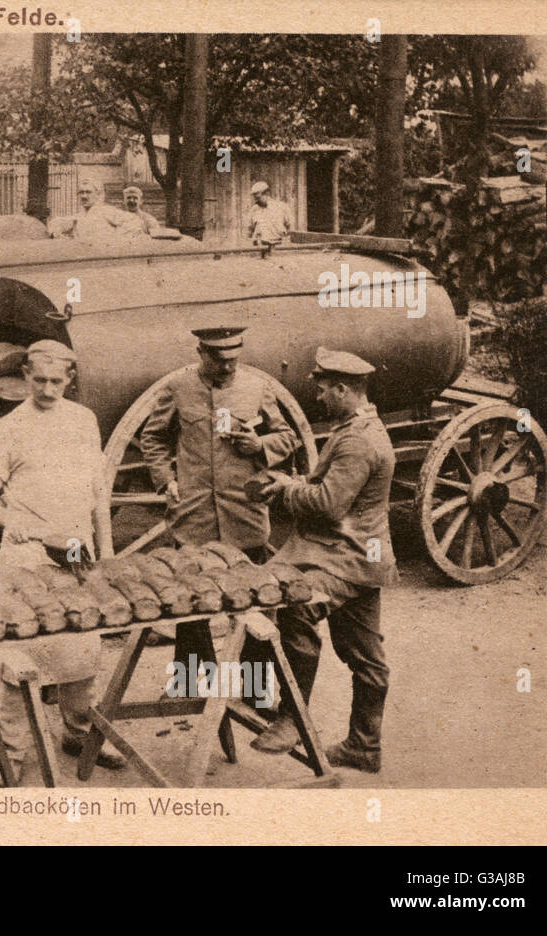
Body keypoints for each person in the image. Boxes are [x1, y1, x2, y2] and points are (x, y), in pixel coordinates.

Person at [0, 339, 126, 785]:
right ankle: (14, 753)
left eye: (56, 381)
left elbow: (99, 495)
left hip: (76, 552)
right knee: (18, 657)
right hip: (26, 556)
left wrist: (107, 551)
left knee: (82, 649)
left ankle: (79, 733)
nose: (47, 389)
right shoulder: (9, 427)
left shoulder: (84, 421)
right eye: (38, 380)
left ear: (70, 380)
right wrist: (10, 522)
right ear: (24, 376)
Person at [249, 348, 397, 773]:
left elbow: (330, 505)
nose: (318, 397)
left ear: (343, 389)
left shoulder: (357, 440)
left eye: (323, 390)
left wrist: (286, 491)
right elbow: (333, 488)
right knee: (365, 655)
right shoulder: (359, 427)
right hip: (361, 559)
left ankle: (293, 717)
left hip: (341, 558)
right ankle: (364, 747)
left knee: (294, 606)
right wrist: (293, 480)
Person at [136, 327, 299, 558]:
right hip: (194, 517)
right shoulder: (179, 388)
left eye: (233, 360)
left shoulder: (257, 387)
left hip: (244, 516)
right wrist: (166, 480)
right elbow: (153, 437)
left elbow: (288, 437)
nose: (227, 367)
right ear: (200, 352)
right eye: (219, 359)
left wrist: (260, 444)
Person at [65, 180, 143, 246]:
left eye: (88, 192)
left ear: (97, 195)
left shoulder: (106, 211)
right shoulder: (79, 216)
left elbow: (134, 220)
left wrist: (113, 241)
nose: (84, 196)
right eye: (81, 192)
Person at [247, 181, 293, 247]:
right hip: (260, 247)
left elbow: (290, 227)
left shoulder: (282, 207)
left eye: (258, 198)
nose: (256, 201)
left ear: (267, 193)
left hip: (278, 246)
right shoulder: (253, 210)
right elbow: (249, 231)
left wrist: (286, 243)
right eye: (255, 198)